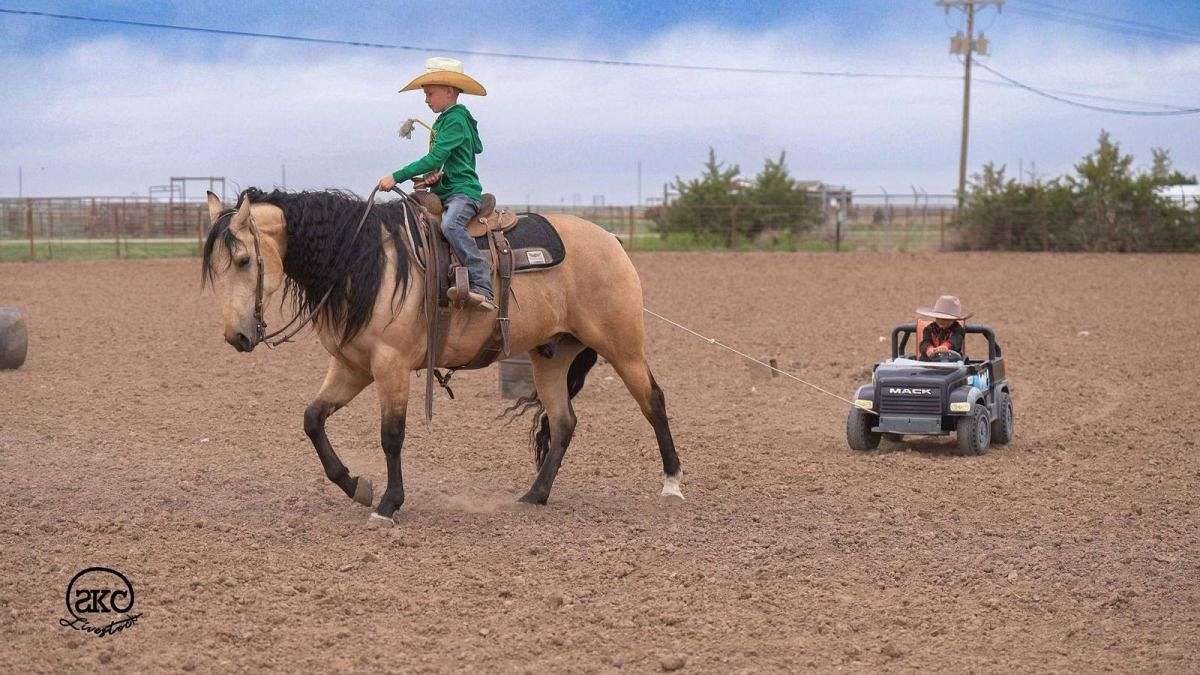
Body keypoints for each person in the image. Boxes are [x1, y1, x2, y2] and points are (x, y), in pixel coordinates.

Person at [378, 57, 494, 310]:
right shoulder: (446, 121)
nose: (426, 99)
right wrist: (431, 177)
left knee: (451, 225)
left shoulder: (455, 120)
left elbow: (436, 157)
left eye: (430, 93)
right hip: (447, 190)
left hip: (462, 192)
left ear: (449, 92)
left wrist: (396, 176)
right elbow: (443, 162)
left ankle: (482, 284)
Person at [916, 295, 971, 361]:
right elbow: (925, 342)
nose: (941, 321)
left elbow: (956, 340)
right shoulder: (929, 329)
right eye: (938, 318)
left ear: (954, 320)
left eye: (946, 319)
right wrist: (928, 348)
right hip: (929, 364)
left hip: (951, 365)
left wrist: (946, 346)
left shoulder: (958, 330)